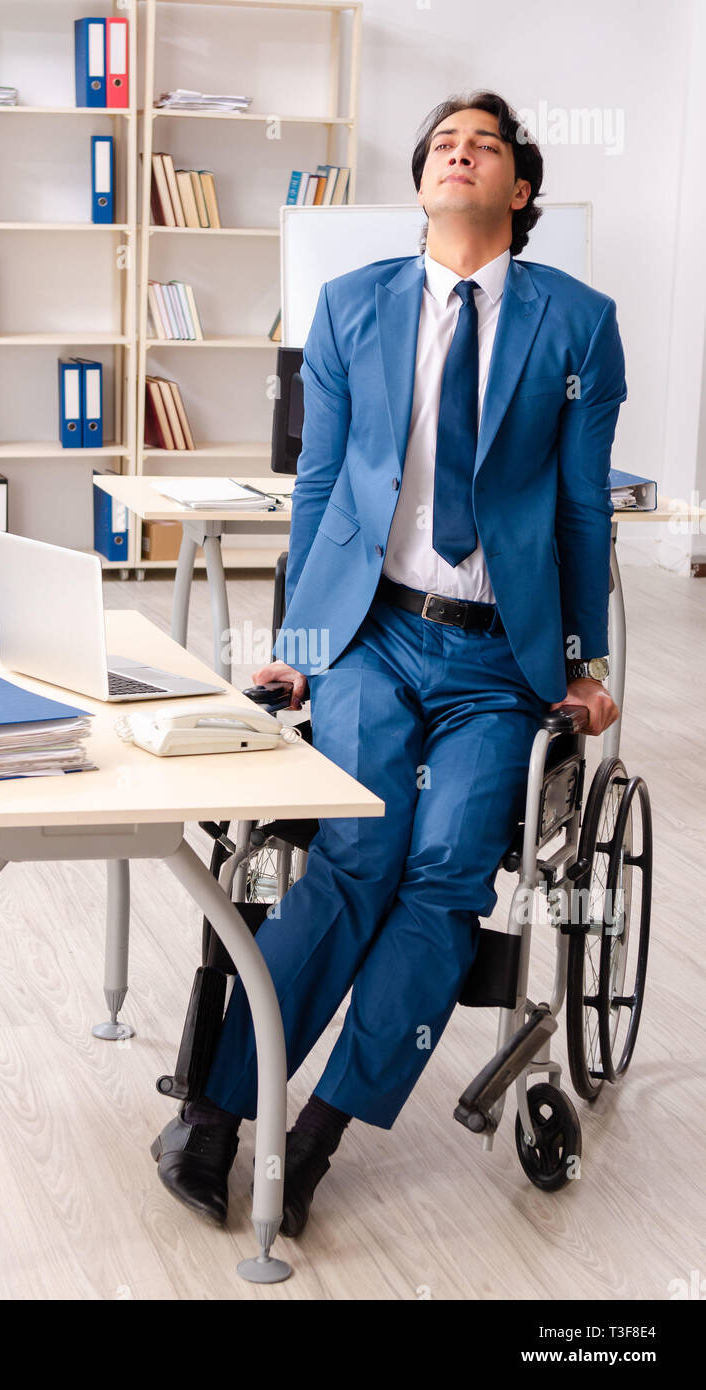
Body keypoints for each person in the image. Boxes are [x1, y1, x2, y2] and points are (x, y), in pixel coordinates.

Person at [150, 89, 625, 1236]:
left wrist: (584, 659)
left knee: (450, 872)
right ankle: (218, 1114)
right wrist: (302, 648)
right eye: (442, 144)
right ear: (421, 183)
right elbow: (320, 491)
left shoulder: (578, 322)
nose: (459, 154)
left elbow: (576, 508)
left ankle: (315, 1136)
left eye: (486, 145)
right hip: (375, 634)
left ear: (520, 190)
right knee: (359, 855)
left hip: (496, 662)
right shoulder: (352, 306)